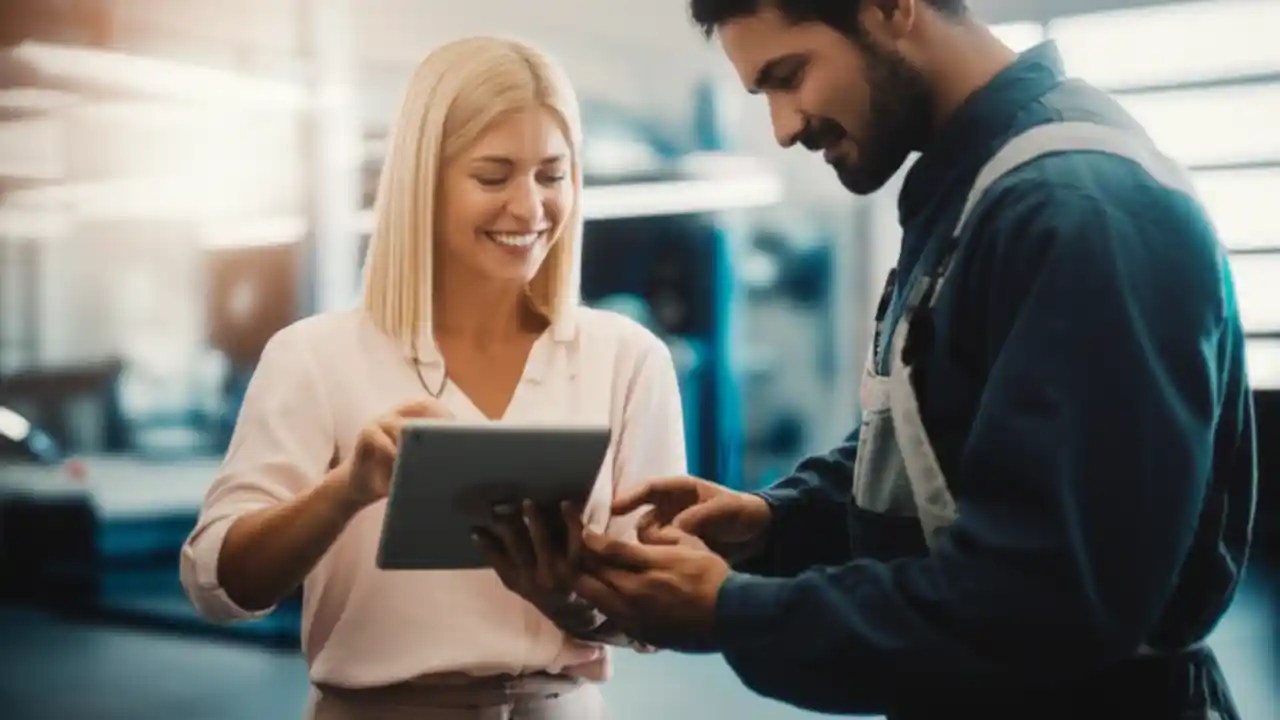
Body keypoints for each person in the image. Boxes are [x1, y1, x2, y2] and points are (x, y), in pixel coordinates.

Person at [570, 2, 1258, 719]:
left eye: (791, 75)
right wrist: (777, 524)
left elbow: (1046, 597)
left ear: (894, 8)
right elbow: (942, 454)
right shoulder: (977, 191)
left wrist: (730, 613)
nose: (784, 127)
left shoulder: (1081, 212)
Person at [179, 36, 687, 720]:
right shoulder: (315, 357)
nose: (530, 209)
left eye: (551, 174)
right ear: (425, 181)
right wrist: (346, 490)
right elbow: (218, 585)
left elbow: (664, 611)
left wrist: (563, 599)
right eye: (493, 175)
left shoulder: (627, 358)